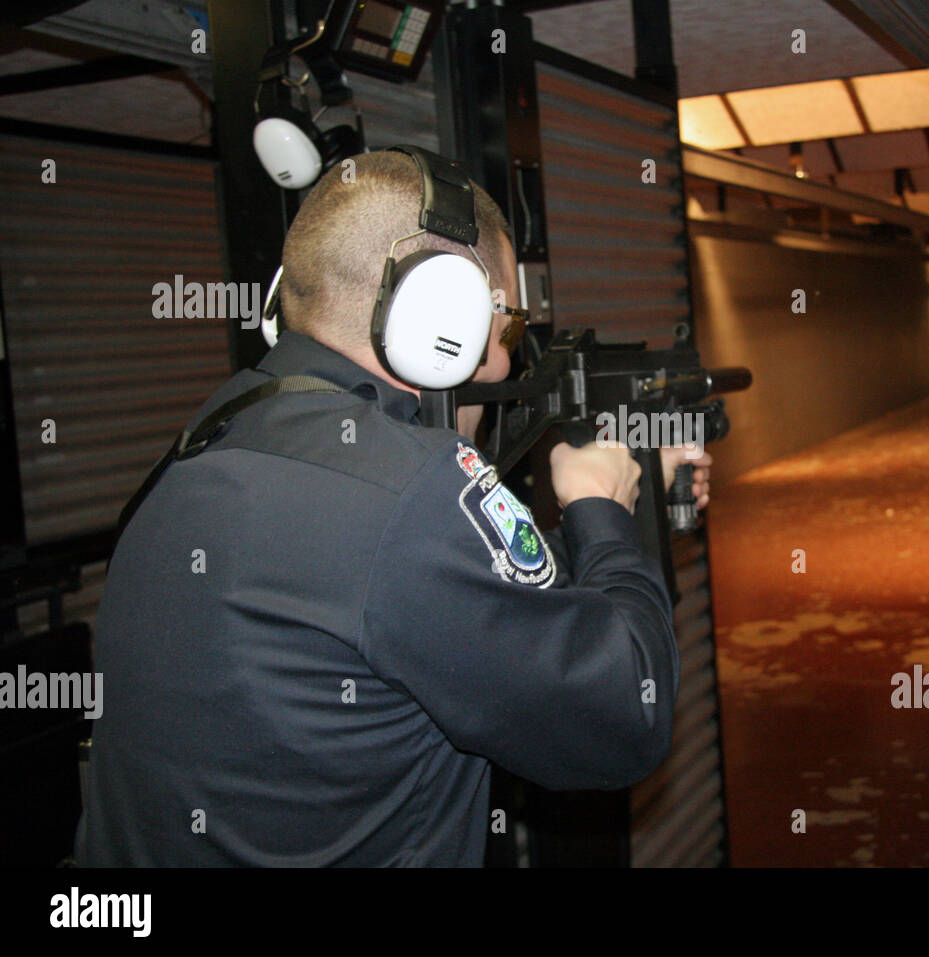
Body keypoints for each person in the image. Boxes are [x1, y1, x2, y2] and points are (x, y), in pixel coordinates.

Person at [75, 148, 712, 866]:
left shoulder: (206, 438)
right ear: (446, 320)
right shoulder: (412, 490)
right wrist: (602, 507)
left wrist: (607, 520)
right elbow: (629, 714)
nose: (505, 363)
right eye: (502, 329)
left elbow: (435, 603)